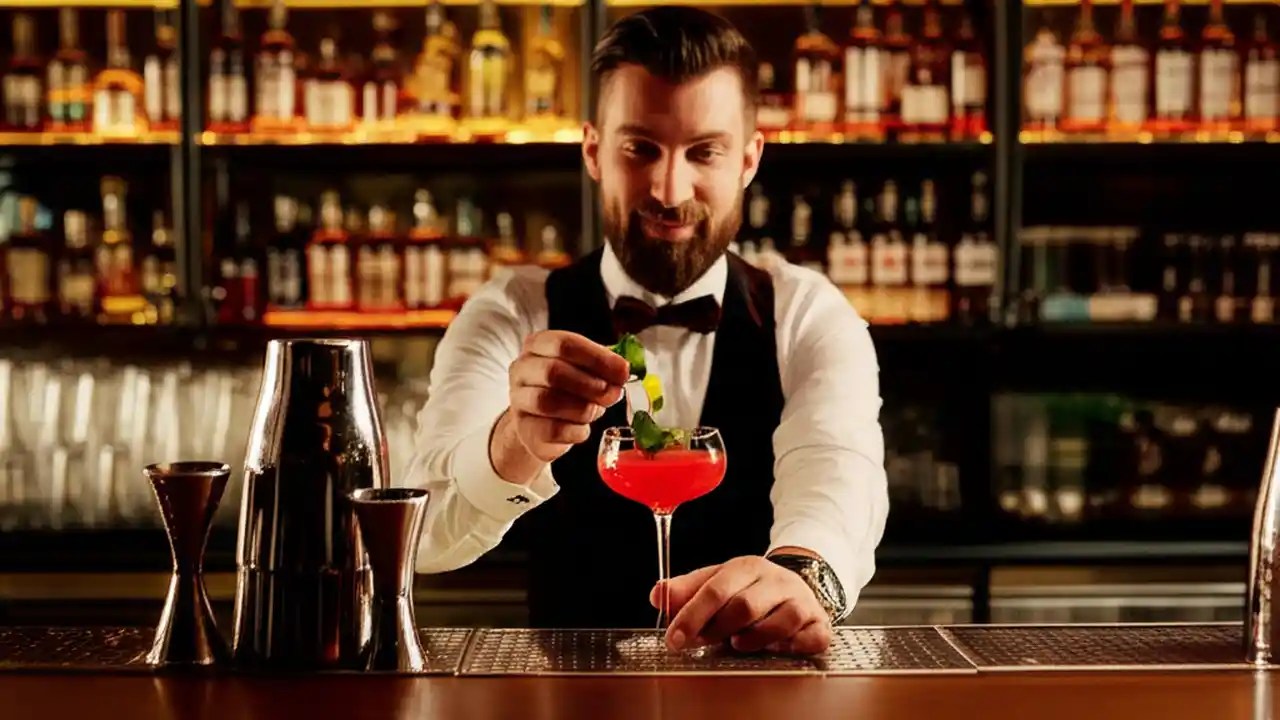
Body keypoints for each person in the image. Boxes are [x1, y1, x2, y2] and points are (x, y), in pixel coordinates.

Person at [406, 6, 887, 656]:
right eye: (641, 148)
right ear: (593, 150)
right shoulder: (510, 311)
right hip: (567, 697)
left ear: (748, 160)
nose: (669, 188)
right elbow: (426, 535)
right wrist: (513, 441)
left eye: (704, 152)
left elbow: (836, 466)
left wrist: (801, 576)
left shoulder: (806, 312)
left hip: (756, 688)